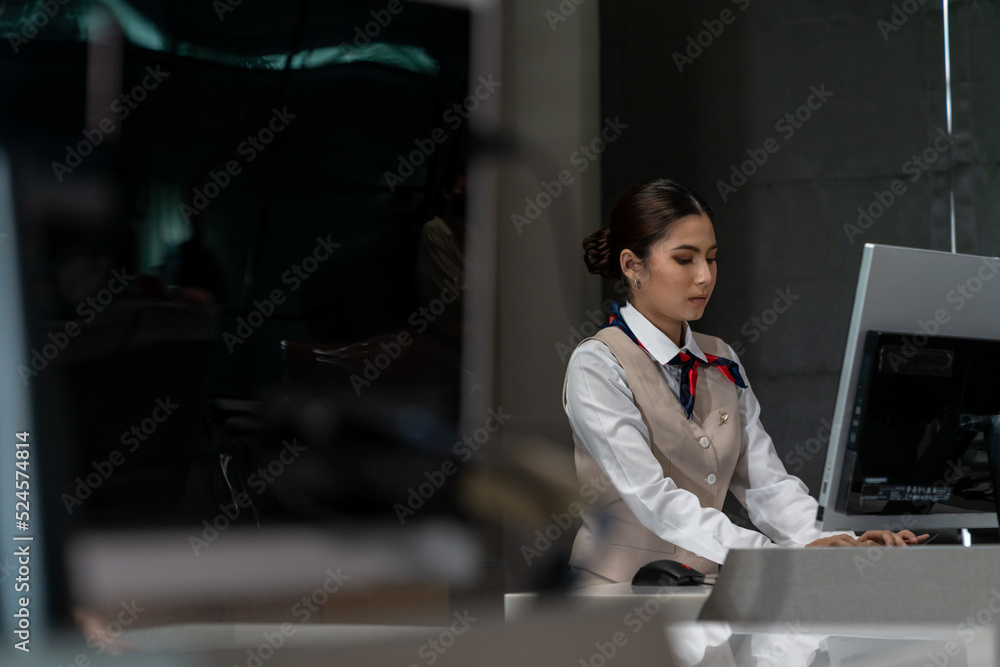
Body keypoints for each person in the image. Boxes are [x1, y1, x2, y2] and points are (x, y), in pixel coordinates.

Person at [563, 178, 927, 587]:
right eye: (685, 259)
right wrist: (782, 560)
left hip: (700, 591)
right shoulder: (597, 363)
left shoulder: (720, 356)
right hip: (613, 596)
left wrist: (838, 544)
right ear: (632, 265)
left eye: (712, 258)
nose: (704, 276)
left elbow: (765, 483)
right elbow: (654, 500)